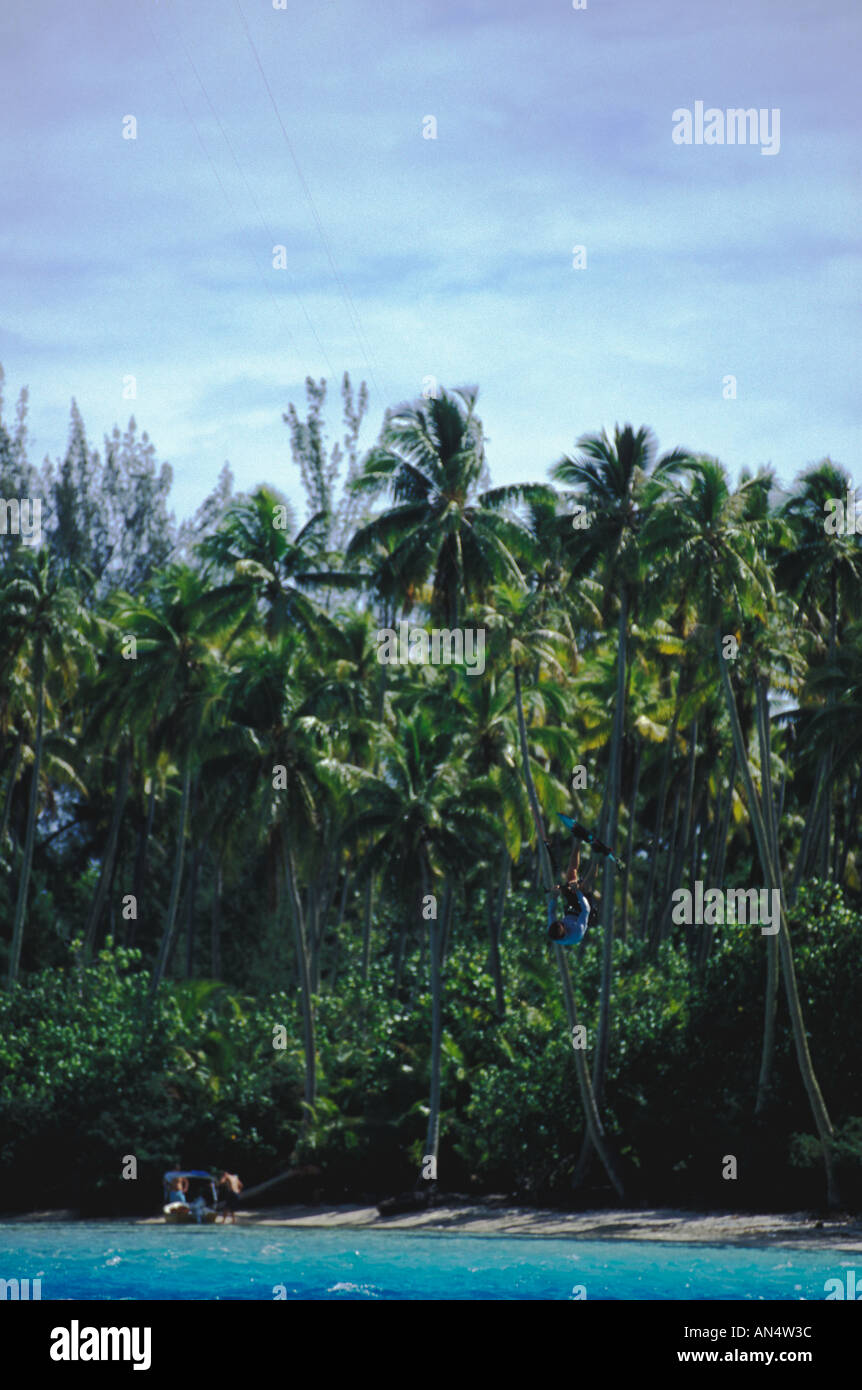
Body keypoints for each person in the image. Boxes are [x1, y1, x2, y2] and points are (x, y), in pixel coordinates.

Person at [547, 839, 597, 946]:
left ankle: (578, 841)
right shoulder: (577, 932)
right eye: (563, 924)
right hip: (584, 913)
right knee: (585, 886)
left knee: (570, 875)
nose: (561, 921)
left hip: (570, 912)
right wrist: (578, 891)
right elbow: (586, 910)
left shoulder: (552, 929)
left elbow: (551, 912)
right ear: (565, 931)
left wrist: (555, 897)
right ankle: (596, 856)